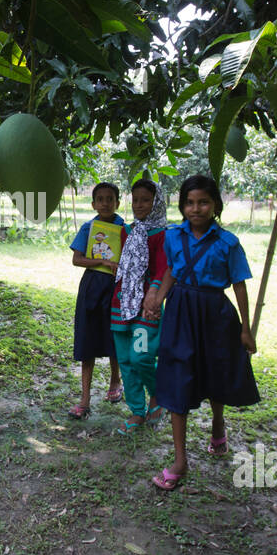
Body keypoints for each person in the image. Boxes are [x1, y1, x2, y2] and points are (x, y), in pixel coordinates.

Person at [147, 175, 259, 490]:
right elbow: (171, 269)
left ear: (215, 206)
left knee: (215, 373)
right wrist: (158, 299)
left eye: (203, 202)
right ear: (182, 206)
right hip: (180, 312)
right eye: (190, 202)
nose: (196, 209)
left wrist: (246, 329)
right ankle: (180, 461)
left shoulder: (228, 243)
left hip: (216, 315)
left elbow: (239, 283)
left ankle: (218, 424)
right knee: (176, 378)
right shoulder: (172, 236)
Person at [110, 179, 169, 434]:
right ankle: (137, 411)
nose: (139, 205)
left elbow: (163, 269)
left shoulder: (163, 234)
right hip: (120, 304)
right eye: (135, 200)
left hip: (147, 306)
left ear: (156, 203)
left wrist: (154, 294)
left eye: (145, 200)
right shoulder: (127, 230)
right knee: (125, 359)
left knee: (141, 356)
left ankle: (157, 395)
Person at [68, 183, 125, 418]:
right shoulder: (88, 228)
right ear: (93, 204)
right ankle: (84, 399)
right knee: (87, 339)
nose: (105, 203)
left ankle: (115, 382)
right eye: (100, 199)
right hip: (92, 287)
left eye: (109, 199)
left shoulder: (125, 229)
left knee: (114, 337)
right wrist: (103, 263)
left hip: (115, 289)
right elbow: (77, 259)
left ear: (117, 203)